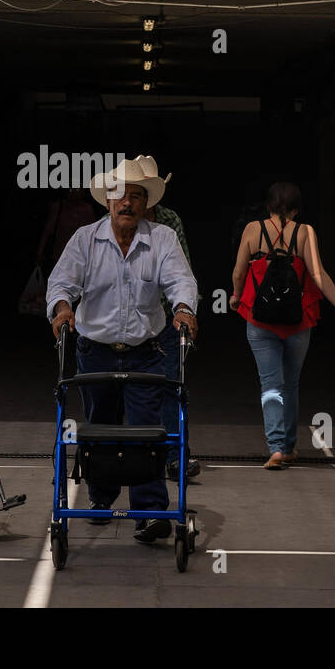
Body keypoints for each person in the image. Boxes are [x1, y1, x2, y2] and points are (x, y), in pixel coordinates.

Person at [46, 156, 199, 542]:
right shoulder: (85, 238)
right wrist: (62, 307)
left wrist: (183, 308)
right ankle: (101, 498)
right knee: (101, 427)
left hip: (145, 350)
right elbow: (60, 283)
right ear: (108, 202)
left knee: (146, 430)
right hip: (95, 349)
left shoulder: (161, 238)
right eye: (120, 196)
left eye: (135, 197)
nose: (127, 203)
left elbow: (181, 280)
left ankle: (149, 511)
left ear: (146, 204)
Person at [232, 182, 335, 470]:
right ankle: (289, 446)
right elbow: (318, 274)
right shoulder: (305, 232)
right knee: (290, 384)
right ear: (296, 209)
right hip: (298, 320)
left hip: (260, 320)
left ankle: (277, 447)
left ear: (267, 206)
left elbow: (238, 272)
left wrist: (234, 296)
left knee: (270, 384)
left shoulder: (253, 231)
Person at [141, 157, 201, 481]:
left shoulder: (168, 221)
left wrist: (186, 310)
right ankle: (120, 456)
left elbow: (183, 270)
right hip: (132, 322)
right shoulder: (117, 222)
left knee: (173, 388)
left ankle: (177, 458)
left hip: (165, 319)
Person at [37, 188, 96, 275]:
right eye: (70, 188)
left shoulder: (87, 209)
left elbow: (93, 233)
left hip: (80, 258)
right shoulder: (58, 207)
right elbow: (48, 231)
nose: (73, 191)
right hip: (58, 256)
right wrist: (40, 252)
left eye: (77, 189)